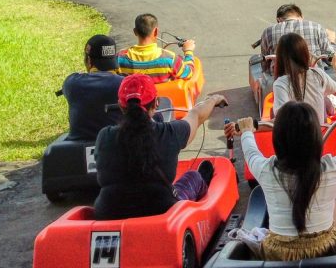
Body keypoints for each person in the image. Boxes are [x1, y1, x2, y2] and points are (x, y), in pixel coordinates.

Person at [232, 103, 336, 260]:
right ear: (315, 137)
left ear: (277, 139)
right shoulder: (332, 169)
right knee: (334, 195)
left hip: (277, 255)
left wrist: (246, 130)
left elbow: (250, 152)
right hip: (326, 251)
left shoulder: (265, 170)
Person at [93, 74, 227, 220]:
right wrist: (213, 99)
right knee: (194, 177)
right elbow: (196, 114)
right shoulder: (169, 133)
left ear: (120, 105)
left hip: (108, 212)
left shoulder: (104, 136)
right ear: (156, 103)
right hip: (162, 211)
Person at [273, 32, 336, 120]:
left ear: (280, 58)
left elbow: (281, 118)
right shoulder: (318, 74)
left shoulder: (280, 84)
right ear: (304, 54)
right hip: (319, 128)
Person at [61, 34, 125, 141]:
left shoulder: (72, 83)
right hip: (114, 145)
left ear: (89, 60)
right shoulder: (125, 84)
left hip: (78, 147)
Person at [118, 13, 196, 82]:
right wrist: (188, 51)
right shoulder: (170, 59)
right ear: (156, 31)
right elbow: (189, 73)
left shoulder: (119, 58)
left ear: (135, 32)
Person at [258, 3, 336, 57]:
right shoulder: (316, 27)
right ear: (301, 17)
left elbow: (265, 61)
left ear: (278, 20)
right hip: (312, 74)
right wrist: (332, 41)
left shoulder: (267, 32)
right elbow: (331, 57)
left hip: (278, 75)